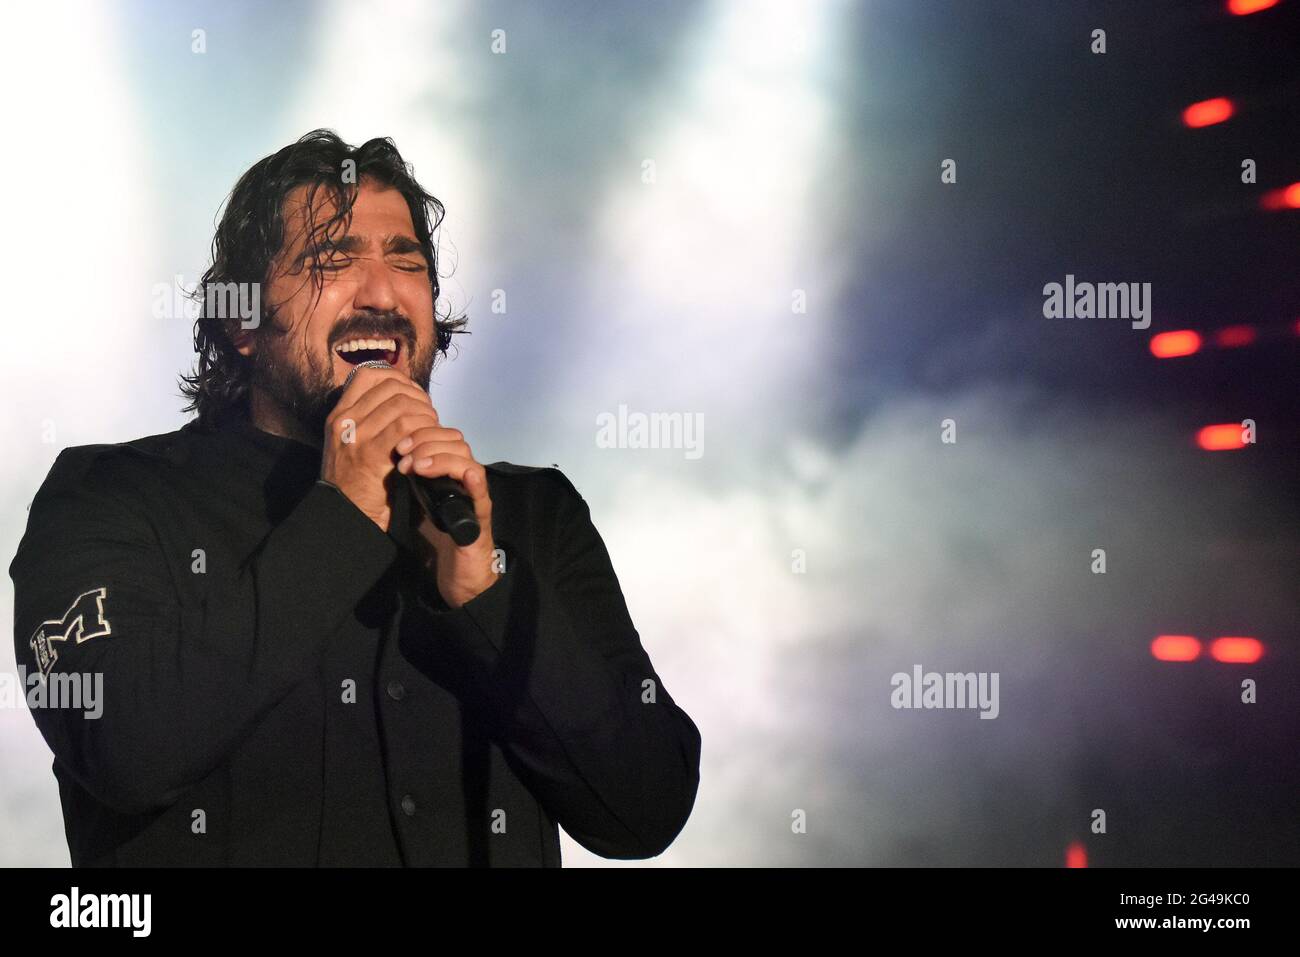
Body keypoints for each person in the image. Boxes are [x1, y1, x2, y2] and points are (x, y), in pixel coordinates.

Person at [9, 129, 701, 866]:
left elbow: (647, 808)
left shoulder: (530, 515)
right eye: (331, 262)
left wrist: (487, 596)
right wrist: (338, 520)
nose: (381, 294)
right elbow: (122, 747)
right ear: (242, 319)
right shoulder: (111, 499)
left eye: (406, 263)